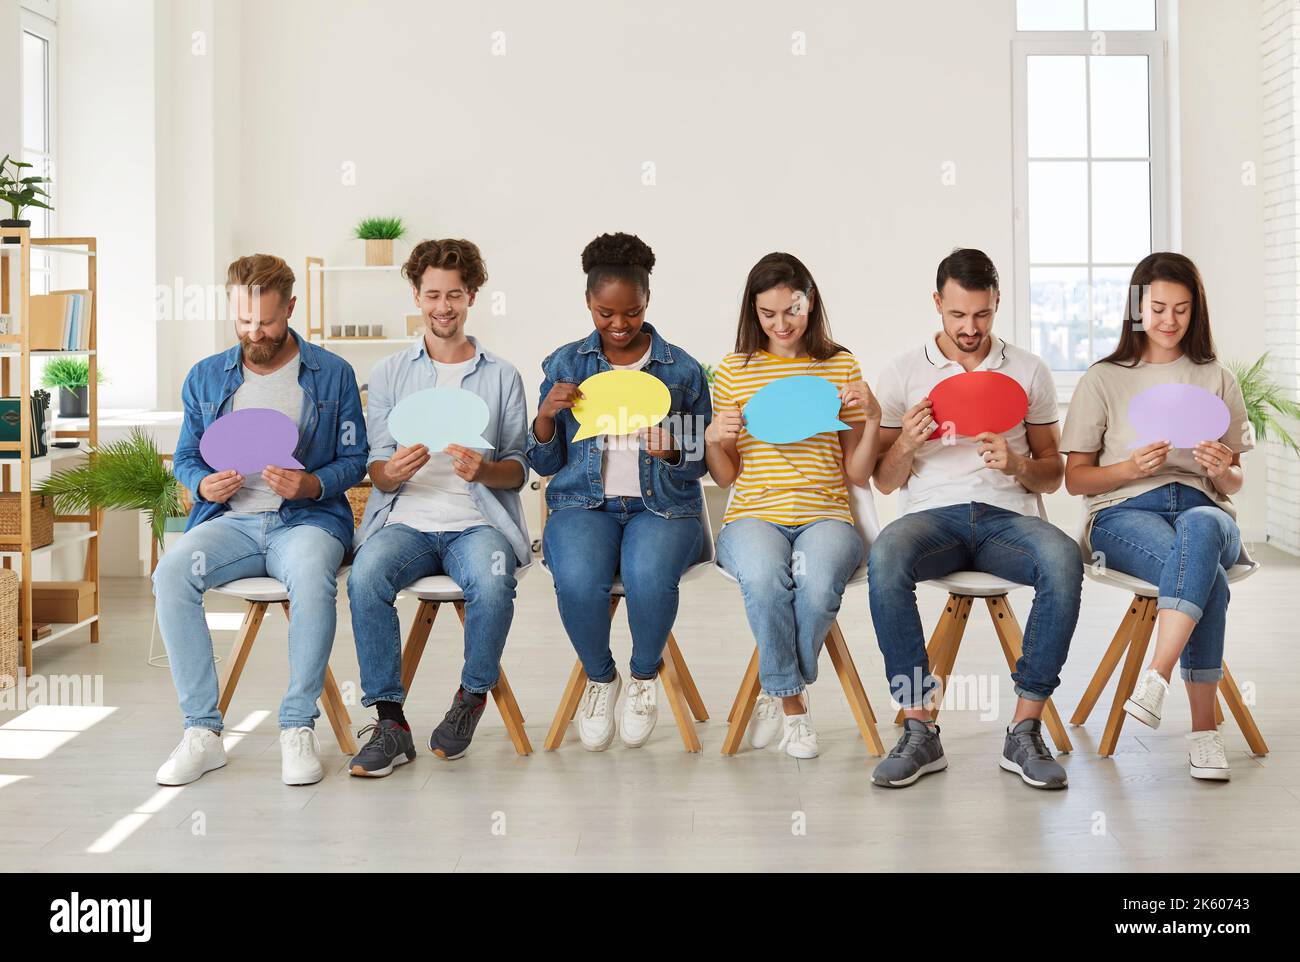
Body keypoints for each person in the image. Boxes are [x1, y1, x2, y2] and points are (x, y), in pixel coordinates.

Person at [867, 248, 1081, 790]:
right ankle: (919, 729)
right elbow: (884, 481)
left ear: (997, 303)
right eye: (958, 315)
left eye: (982, 315)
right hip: (931, 519)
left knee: (1062, 557)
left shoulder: (1028, 370)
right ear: (937, 303)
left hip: (1006, 519)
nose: (970, 328)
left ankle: (1024, 729)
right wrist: (908, 445)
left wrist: (1017, 464)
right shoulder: (902, 373)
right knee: (886, 555)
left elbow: (1052, 473)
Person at [155, 254, 368, 786]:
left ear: (291, 308)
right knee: (172, 573)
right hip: (231, 522)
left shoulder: (332, 373)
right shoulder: (206, 377)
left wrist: (312, 483)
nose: (255, 332)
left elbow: (355, 457)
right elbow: (185, 455)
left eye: (268, 322)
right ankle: (202, 732)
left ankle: (297, 726)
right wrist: (202, 483)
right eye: (244, 320)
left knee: (313, 578)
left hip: (307, 521)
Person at [1062, 252, 1252, 781]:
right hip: (1124, 512)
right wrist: (1127, 468)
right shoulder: (1103, 379)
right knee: (1205, 573)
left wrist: (1222, 470)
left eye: (1183, 310)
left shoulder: (1217, 377)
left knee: (1204, 526)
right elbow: (1075, 479)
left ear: (1197, 313)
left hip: (1202, 507)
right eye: (1159, 308)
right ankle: (1205, 733)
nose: (1170, 321)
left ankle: (1156, 675)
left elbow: (1234, 481)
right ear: (1136, 307)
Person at [346, 239, 531, 774]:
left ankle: (471, 698)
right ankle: (390, 722)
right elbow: (374, 467)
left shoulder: (501, 376)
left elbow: (519, 467)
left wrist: (485, 470)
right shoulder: (389, 374)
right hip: (406, 521)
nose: (443, 307)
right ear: (416, 295)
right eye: (432, 295)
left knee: (494, 579)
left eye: (454, 295)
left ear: (472, 296)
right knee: (365, 578)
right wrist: (390, 472)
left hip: (478, 523)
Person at [526, 232, 711, 751]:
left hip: (664, 506)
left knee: (649, 576)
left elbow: (701, 464)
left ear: (647, 302)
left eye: (630, 312)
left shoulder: (683, 369)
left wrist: (674, 450)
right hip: (584, 504)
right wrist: (544, 417)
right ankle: (601, 678)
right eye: (606, 312)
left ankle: (644, 678)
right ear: (588, 303)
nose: (619, 324)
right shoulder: (565, 365)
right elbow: (544, 462)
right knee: (578, 578)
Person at [708, 252, 879, 759]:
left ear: (812, 304)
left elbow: (857, 473)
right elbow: (726, 476)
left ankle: (777, 683)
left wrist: (872, 419)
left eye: (793, 310)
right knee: (764, 580)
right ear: (752, 312)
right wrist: (714, 439)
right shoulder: (733, 371)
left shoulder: (841, 365)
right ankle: (794, 708)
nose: (782, 324)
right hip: (753, 516)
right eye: (768, 314)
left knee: (819, 583)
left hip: (826, 514)